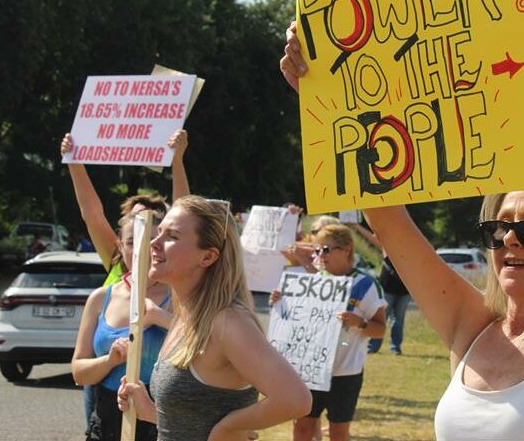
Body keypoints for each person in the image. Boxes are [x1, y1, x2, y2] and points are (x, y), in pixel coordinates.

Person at [281, 0, 524, 438]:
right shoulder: (474, 327)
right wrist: (323, 88)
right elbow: (385, 219)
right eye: (499, 228)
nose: (510, 240)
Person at [117, 196, 312, 441]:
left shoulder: (226, 322)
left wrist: (229, 428)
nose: (154, 243)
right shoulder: (187, 315)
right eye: (159, 233)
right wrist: (152, 412)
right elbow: (197, 421)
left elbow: (296, 400)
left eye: (172, 236)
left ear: (207, 257)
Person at [62, 129, 189, 429]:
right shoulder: (113, 272)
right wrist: (73, 161)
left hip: (161, 415)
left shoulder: (181, 290)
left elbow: (185, 212)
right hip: (106, 405)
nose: (143, 248)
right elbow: (92, 214)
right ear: (120, 244)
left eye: (153, 235)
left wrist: (177, 161)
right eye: (133, 239)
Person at [272, 224, 387, 441]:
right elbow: (295, 321)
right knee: (302, 429)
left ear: (347, 250)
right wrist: (281, 303)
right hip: (311, 370)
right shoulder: (311, 281)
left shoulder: (365, 284)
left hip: (345, 374)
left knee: (338, 434)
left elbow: (380, 330)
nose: (320, 255)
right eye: (316, 251)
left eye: (326, 249)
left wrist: (360, 323)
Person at [352, 224, 410, 356]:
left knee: (398, 320)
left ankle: (395, 348)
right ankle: (373, 346)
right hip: (388, 288)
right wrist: (357, 227)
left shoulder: (410, 250)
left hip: (405, 290)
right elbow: (372, 238)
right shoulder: (388, 247)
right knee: (382, 318)